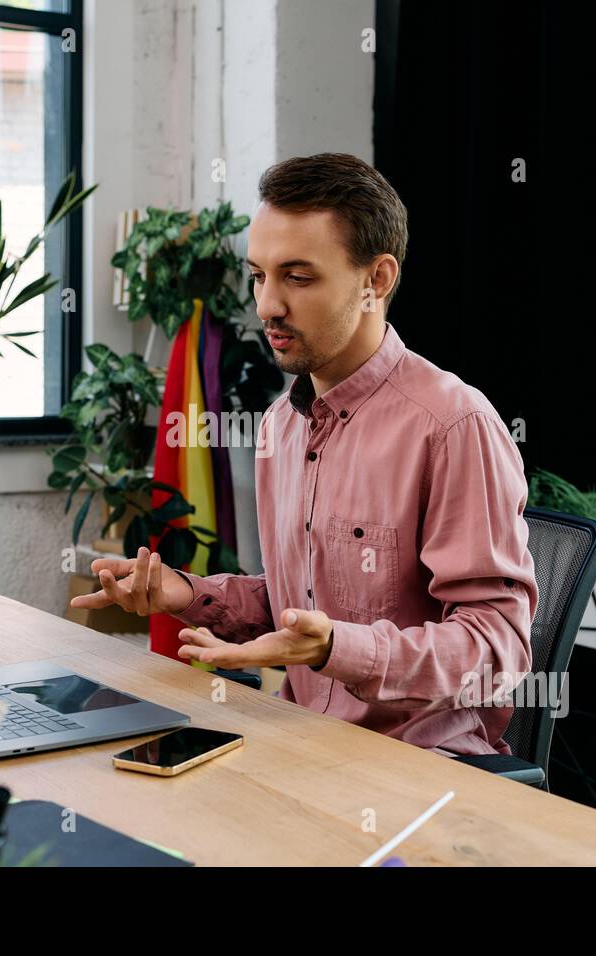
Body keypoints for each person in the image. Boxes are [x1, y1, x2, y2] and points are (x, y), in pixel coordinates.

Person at [71, 153, 537, 757]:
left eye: (297, 276)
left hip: (418, 767)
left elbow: (497, 649)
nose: (266, 305)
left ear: (377, 280)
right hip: (299, 745)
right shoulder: (280, 425)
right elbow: (299, 602)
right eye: (259, 275)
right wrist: (184, 595)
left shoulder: (452, 425)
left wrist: (333, 648)